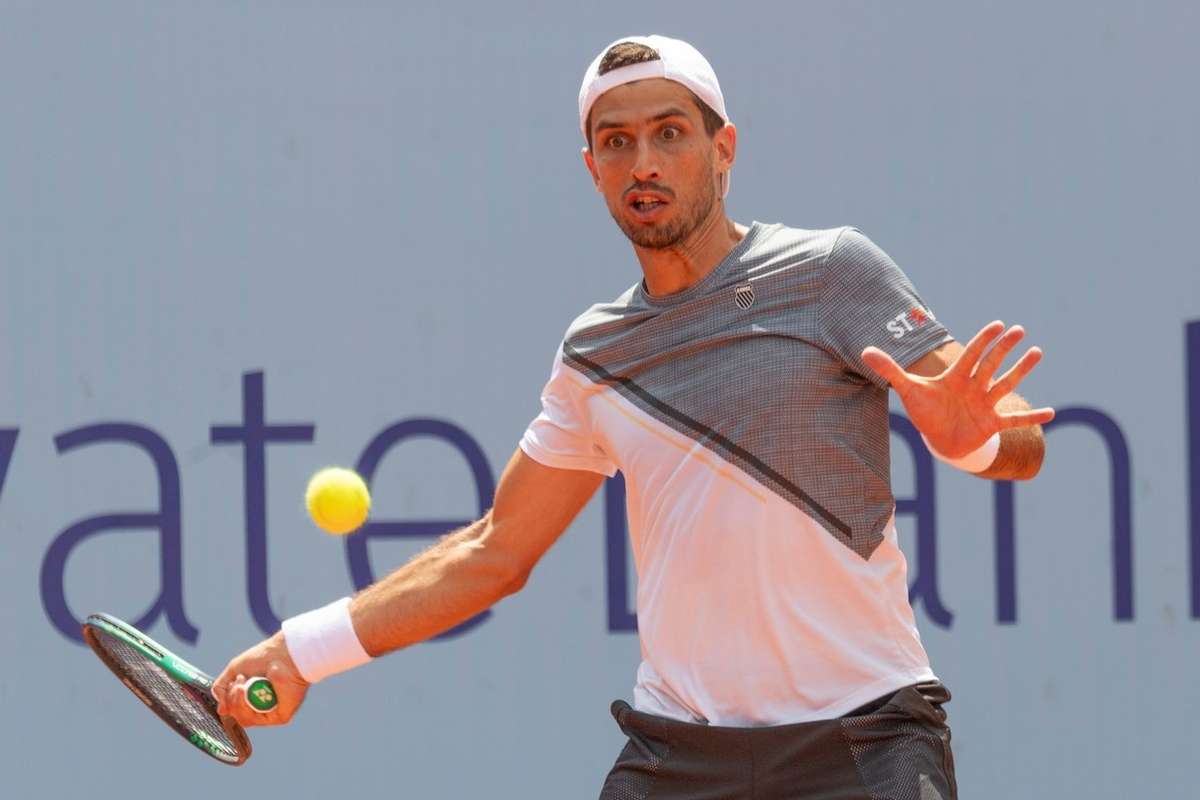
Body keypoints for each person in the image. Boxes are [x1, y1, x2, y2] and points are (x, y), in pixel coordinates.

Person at [213, 35, 1053, 799]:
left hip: (864, 738)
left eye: (669, 133)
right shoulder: (595, 355)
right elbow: (494, 551)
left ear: (723, 148)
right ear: (593, 168)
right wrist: (301, 651)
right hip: (678, 756)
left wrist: (974, 442)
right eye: (616, 142)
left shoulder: (831, 271)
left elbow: (1019, 438)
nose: (643, 161)